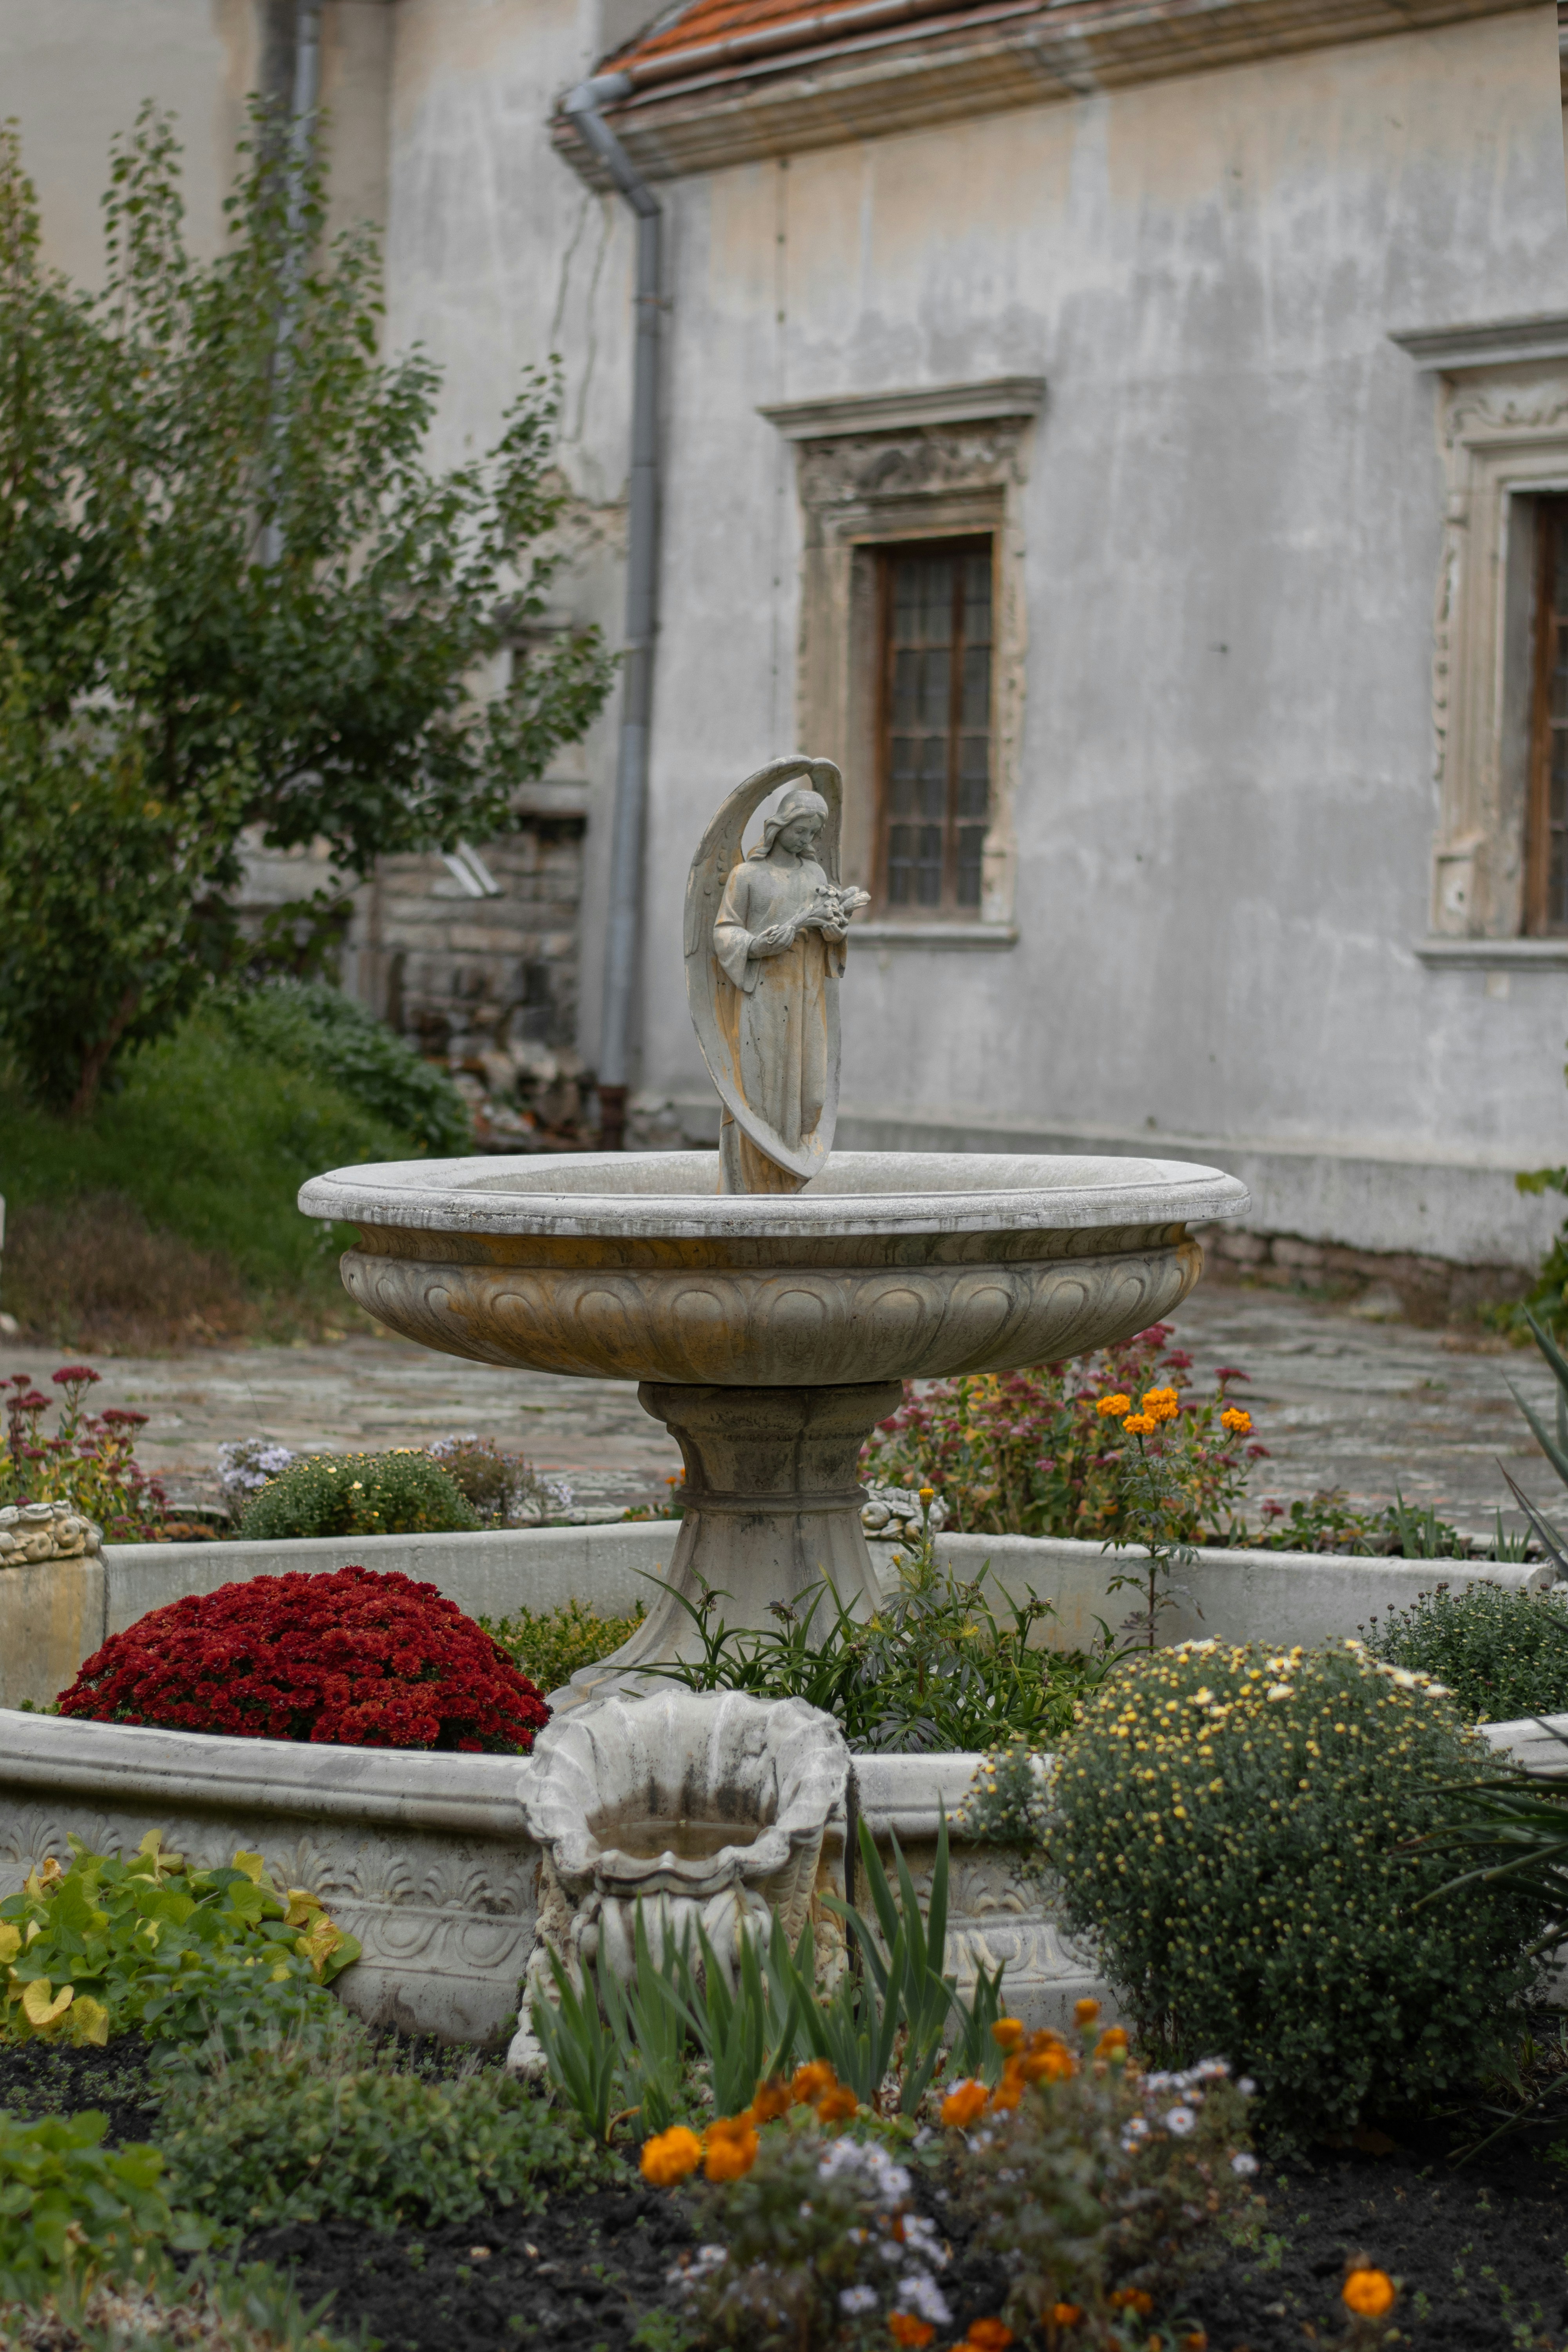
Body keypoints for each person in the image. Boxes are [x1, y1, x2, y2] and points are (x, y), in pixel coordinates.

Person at [712, 786, 864, 1193]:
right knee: (762, 1094)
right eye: (801, 831)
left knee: (811, 1097)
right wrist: (756, 945)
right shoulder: (748, 877)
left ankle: (787, 1179)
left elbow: (830, 938)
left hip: (807, 992)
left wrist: (835, 930)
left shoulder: (814, 875)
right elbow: (724, 932)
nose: (807, 841)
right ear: (779, 826)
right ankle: (754, 1189)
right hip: (764, 995)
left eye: (813, 835)